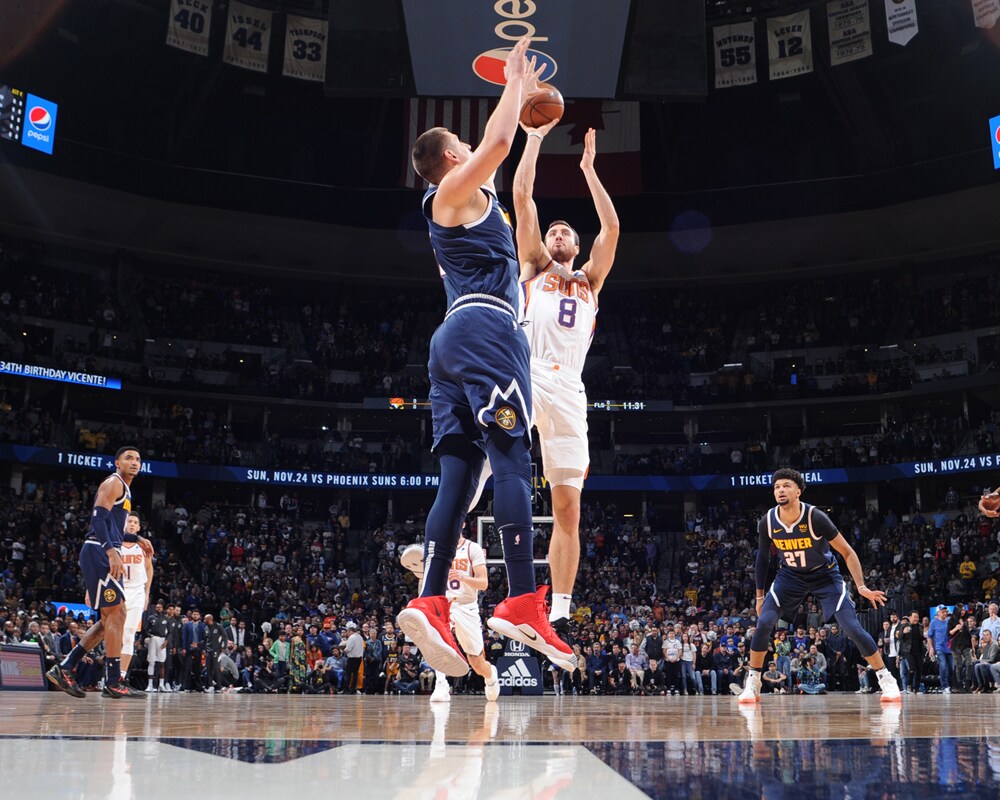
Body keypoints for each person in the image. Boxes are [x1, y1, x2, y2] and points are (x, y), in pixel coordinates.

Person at [396, 38, 574, 676]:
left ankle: (430, 598)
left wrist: (532, 131)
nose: (474, 155)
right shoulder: (450, 195)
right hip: (486, 335)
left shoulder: (481, 212)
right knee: (512, 461)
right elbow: (494, 146)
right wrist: (515, 84)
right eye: (463, 150)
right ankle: (523, 599)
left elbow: (510, 166)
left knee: (459, 478)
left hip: (453, 345)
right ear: (449, 157)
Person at [507, 117, 620, 635]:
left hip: (572, 388)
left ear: (576, 245)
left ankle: (559, 608)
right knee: (493, 457)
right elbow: (523, 195)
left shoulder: (591, 280)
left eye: (566, 231)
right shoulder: (532, 267)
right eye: (553, 229)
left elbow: (612, 229)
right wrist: (533, 139)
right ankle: (446, 552)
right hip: (527, 370)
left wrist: (589, 171)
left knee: (568, 505)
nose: (556, 233)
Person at [739, 468, 901, 704]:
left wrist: (862, 586)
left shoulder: (815, 517)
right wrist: (760, 596)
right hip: (789, 577)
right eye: (776, 487)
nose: (780, 490)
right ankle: (753, 683)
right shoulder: (768, 521)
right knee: (763, 623)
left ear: (798, 491)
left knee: (852, 628)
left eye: (786, 486)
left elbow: (847, 551)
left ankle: (886, 679)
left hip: (825, 576)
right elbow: (763, 559)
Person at [46, 446, 151, 699]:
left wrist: (134, 537)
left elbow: (112, 525)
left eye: (137, 459)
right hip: (99, 552)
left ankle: (67, 667)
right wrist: (111, 551)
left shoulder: (124, 489)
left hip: (102, 551)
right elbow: (97, 519)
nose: (134, 462)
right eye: (128, 458)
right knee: (116, 615)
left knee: (110, 620)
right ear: (117, 463)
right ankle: (114, 681)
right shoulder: (113, 483)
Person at [401, 534, 501, 704]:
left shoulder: (472, 548)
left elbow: (483, 583)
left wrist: (462, 577)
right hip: (442, 604)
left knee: (476, 663)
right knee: (437, 641)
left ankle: (490, 675)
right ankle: (441, 684)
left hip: (466, 606)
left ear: (461, 524)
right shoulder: (434, 549)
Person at [118, 513, 153, 691]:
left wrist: (147, 594)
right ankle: (110, 676)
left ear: (139, 527)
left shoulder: (143, 547)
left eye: (135, 522)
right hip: (118, 592)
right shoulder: (115, 544)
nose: (132, 524)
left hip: (137, 592)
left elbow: (149, 569)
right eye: (129, 521)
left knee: (129, 635)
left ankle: (122, 677)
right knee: (113, 635)